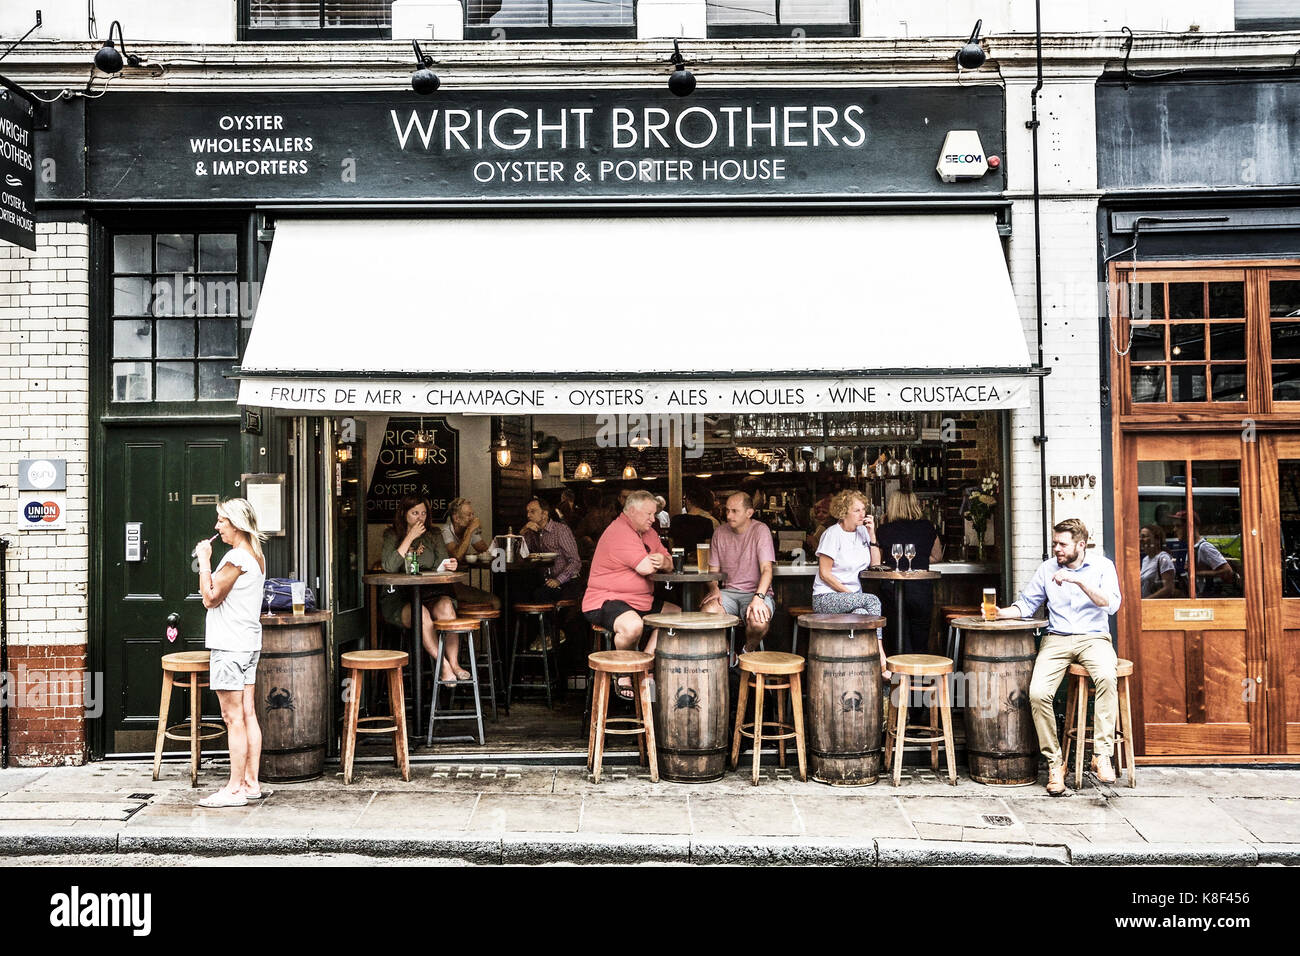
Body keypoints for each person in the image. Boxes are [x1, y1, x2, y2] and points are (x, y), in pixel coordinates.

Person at [995, 518, 1122, 795]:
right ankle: (1055, 764)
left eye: (1062, 544)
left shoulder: (1102, 567)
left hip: (1094, 637)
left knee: (1106, 678)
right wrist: (1002, 613)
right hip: (1057, 638)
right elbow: (1028, 604)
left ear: (1080, 544)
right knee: (1038, 693)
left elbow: (1112, 605)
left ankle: (1101, 755)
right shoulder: (1047, 568)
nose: (1057, 549)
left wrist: (1079, 582)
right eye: (1054, 543)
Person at [194, 498, 268, 808]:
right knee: (248, 714)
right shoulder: (256, 556)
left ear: (236, 524)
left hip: (230, 646)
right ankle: (251, 783)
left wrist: (205, 560)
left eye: (221, 521)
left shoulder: (236, 557)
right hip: (248, 644)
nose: (217, 526)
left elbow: (210, 598)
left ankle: (235, 789)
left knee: (232, 717)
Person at [582, 490, 680, 700]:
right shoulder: (619, 531)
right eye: (649, 514)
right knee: (633, 626)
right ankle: (624, 672)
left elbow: (669, 562)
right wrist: (660, 562)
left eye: (654, 514)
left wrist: (664, 562)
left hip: (640, 600)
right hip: (605, 599)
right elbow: (645, 567)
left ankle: (647, 662)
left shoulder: (649, 532)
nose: (653, 519)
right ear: (632, 511)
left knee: (678, 616)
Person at [382, 494, 465, 682]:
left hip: (430, 592)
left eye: (424, 513)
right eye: (414, 513)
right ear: (403, 514)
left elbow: (439, 562)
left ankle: (454, 664)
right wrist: (410, 536)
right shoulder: (391, 534)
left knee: (446, 607)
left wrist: (449, 565)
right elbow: (389, 566)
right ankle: (443, 665)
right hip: (400, 597)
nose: (420, 518)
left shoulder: (433, 534)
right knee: (421, 614)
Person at [812, 489, 887, 675]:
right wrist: (851, 595)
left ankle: (859, 669)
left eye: (864, 509)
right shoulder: (832, 534)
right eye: (857, 510)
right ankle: (881, 656)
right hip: (826, 597)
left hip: (852, 599)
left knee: (862, 613)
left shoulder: (862, 532)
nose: (863, 514)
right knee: (872, 601)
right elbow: (825, 574)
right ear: (844, 512)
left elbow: (875, 564)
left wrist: (872, 536)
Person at [700, 492, 775, 656]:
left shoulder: (760, 530)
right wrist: (714, 589)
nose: (728, 515)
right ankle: (727, 654)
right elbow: (712, 572)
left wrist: (759, 598)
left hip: (756, 593)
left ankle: (745, 653)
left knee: (759, 623)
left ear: (749, 513)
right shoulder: (719, 532)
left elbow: (767, 570)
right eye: (727, 510)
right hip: (728, 593)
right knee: (708, 613)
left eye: (735, 511)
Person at [875, 486, 944, 655]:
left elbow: (878, 562)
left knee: (896, 635)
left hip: (892, 589)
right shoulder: (927, 527)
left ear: (892, 506)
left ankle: (898, 677)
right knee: (920, 636)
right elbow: (937, 557)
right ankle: (918, 676)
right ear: (915, 504)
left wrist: (899, 561)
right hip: (920, 588)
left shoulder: (884, 529)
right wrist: (917, 559)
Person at [522, 497, 583, 605]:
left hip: (567, 582)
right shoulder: (532, 532)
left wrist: (559, 580)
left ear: (544, 514)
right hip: (547, 581)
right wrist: (524, 530)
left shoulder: (560, 530)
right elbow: (522, 553)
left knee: (539, 595)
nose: (528, 515)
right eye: (527, 512)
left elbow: (575, 561)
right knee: (522, 592)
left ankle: (547, 622)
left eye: (532, 511)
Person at [440, 497, 498, 608]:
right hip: (446, 587)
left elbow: (487, 552)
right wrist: (470, 530)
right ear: (456, 518)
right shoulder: (445, 531)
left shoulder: (468, 530)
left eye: (473, 514)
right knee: (495, 602)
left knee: (495, 601)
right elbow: (456, 556)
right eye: (469, 515)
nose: (473, 518)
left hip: (457, 584)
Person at [1175, 510, 1236, 596]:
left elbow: (1227, 571)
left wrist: (1196, 573)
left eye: (1178, 526)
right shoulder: (1192, 547)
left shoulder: (1204, 547)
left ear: (1190, 526)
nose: (1174, 529)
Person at [669, 487, 718, 556]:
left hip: (679, 560)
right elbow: (709, 547)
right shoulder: (710, 521)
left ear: (688, 501)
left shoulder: (675, 520)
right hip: (701, 561)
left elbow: (671, 544)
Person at [1139, 524, 1176, 598]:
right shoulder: (1145, 560)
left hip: (1157, 605)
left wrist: (1147, 600)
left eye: (1144, 536)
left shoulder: (1163, 559)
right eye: (1140, 537)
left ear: (1157, 540)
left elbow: (1168, 589)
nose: (1140, 539)